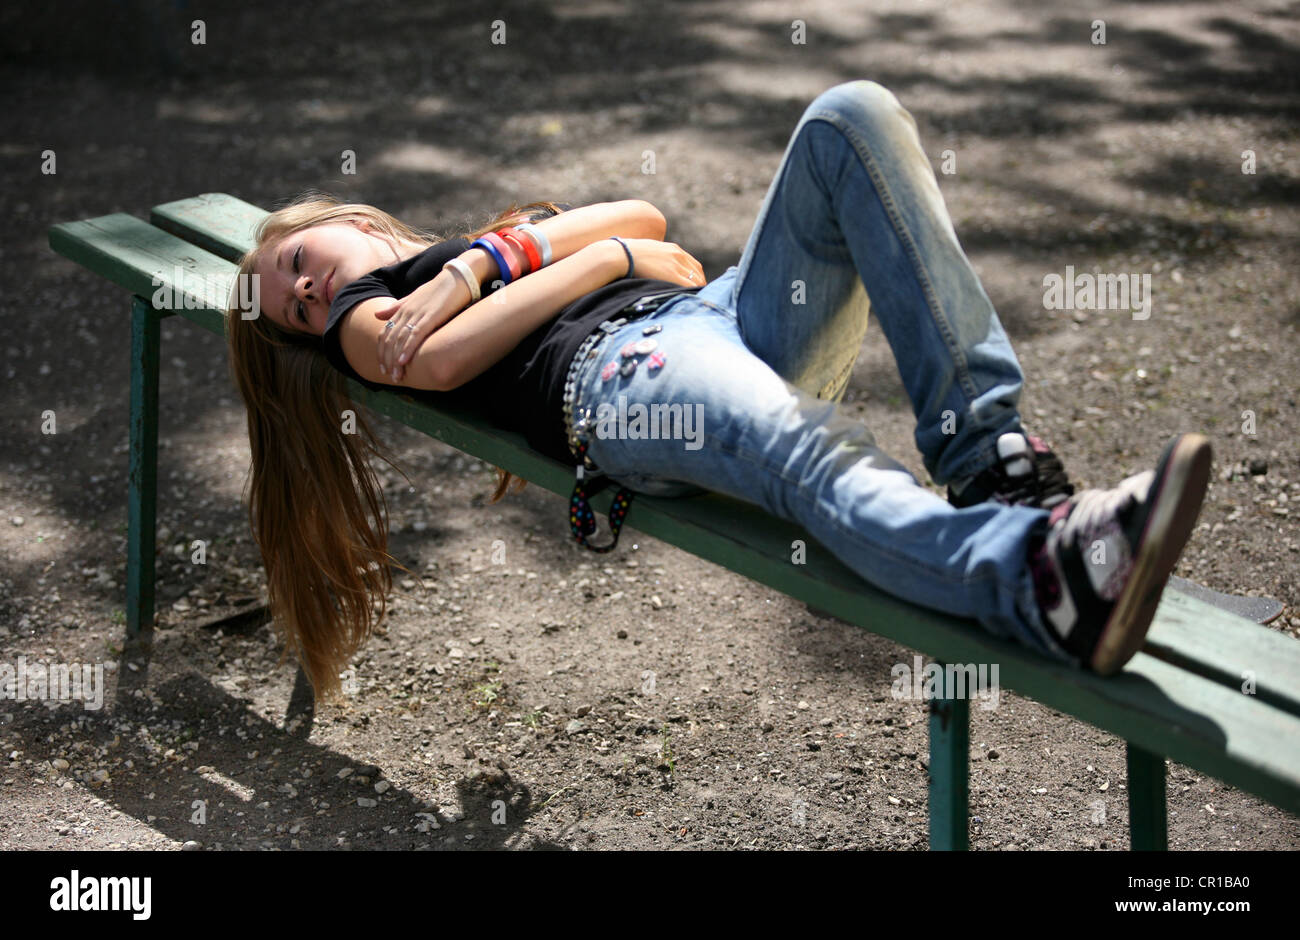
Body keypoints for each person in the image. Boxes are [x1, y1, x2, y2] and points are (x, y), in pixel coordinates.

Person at [226, 79, 1211, 705]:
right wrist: (604, 258)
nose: (309, 289)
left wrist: (488, 257)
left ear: (345, 215)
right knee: (804, 451)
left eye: (301, 260)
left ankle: (993, 467)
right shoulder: (377, 324)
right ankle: (1037, 579)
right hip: (623, 379)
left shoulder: (465, 257)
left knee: (847, 118)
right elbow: (452, 353)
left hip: (729, 314)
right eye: (296, 307)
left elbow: (646, 211)